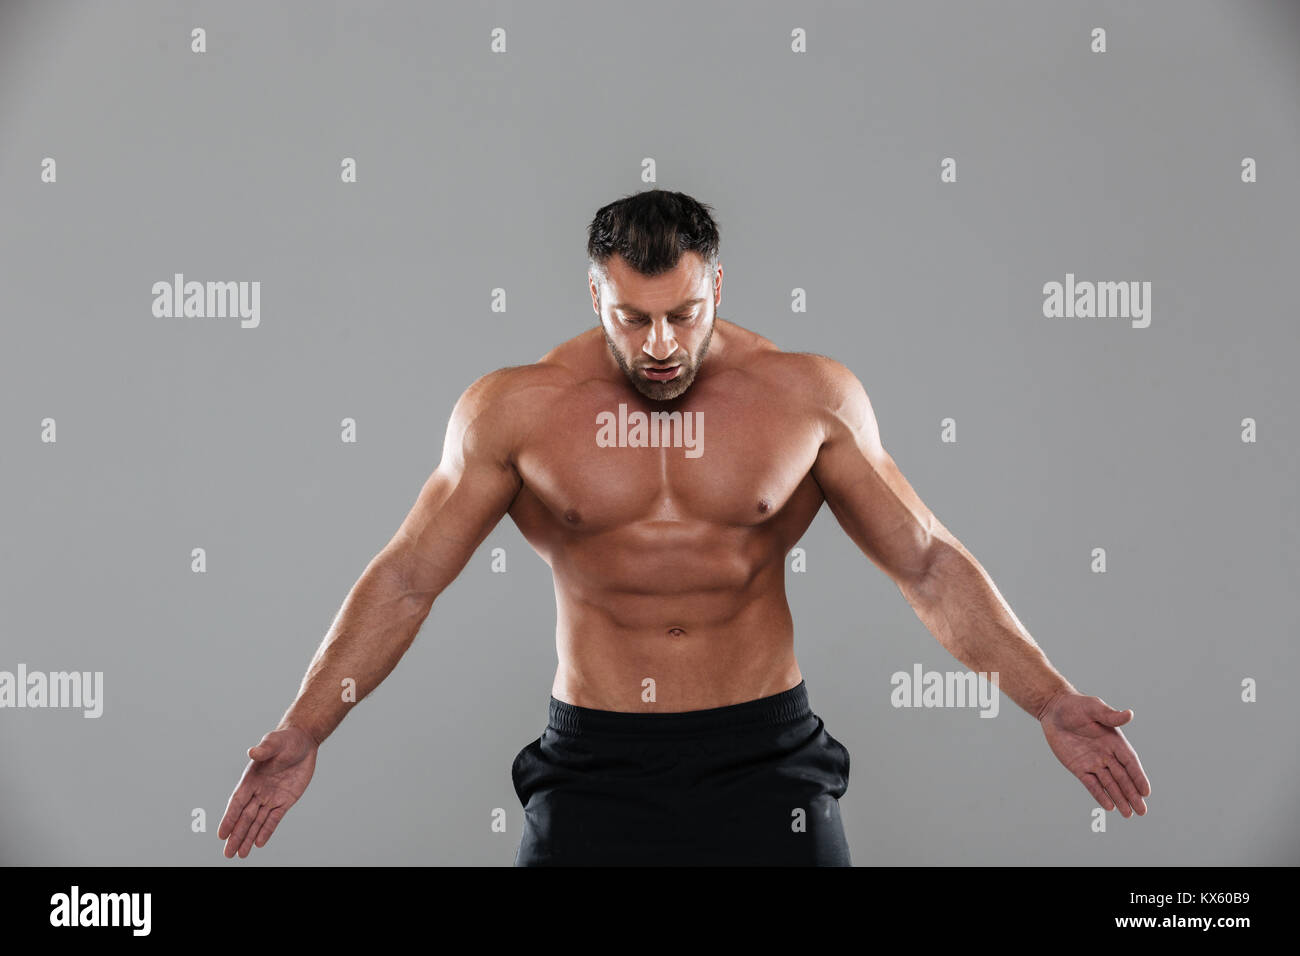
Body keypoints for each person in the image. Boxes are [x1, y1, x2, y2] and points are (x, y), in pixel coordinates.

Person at [218, 189, 1151, 865]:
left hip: (767, 761)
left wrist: (1048, 699)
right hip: (594, 764)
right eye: (633, 319)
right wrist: (306, 727)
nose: (660, 346)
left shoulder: (807, 398)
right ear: (595, 296)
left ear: (718, 287)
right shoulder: (515, 410)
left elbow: (926, 563)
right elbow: (408, 577)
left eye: (683, 315)